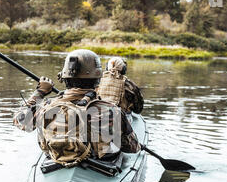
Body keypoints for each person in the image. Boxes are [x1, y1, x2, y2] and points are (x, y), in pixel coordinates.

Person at [13, 49, 141, 167]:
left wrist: (40, 92)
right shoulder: (112, 111)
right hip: (102, 165)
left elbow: (19, 120)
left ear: (65, 79)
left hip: (56, 161)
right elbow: (132, 147)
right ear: (97, 80)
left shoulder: (46, 107)